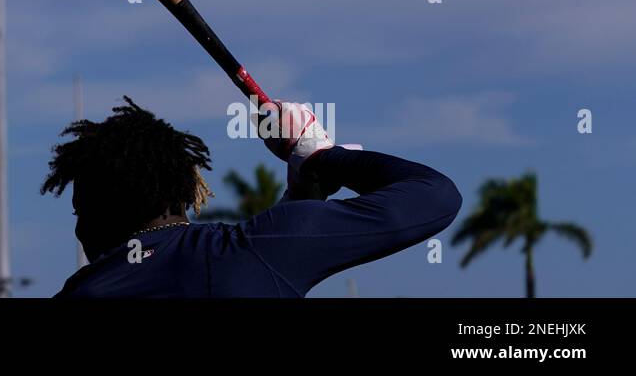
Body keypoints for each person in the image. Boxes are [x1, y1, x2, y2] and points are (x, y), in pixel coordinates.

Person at [43, 96, 461, 297]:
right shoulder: (246, 252)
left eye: (81, 210)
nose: (80, 228)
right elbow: (434, 196)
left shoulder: (77, 295)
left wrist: (303, 192)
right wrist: (321, 156)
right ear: (179, 194)